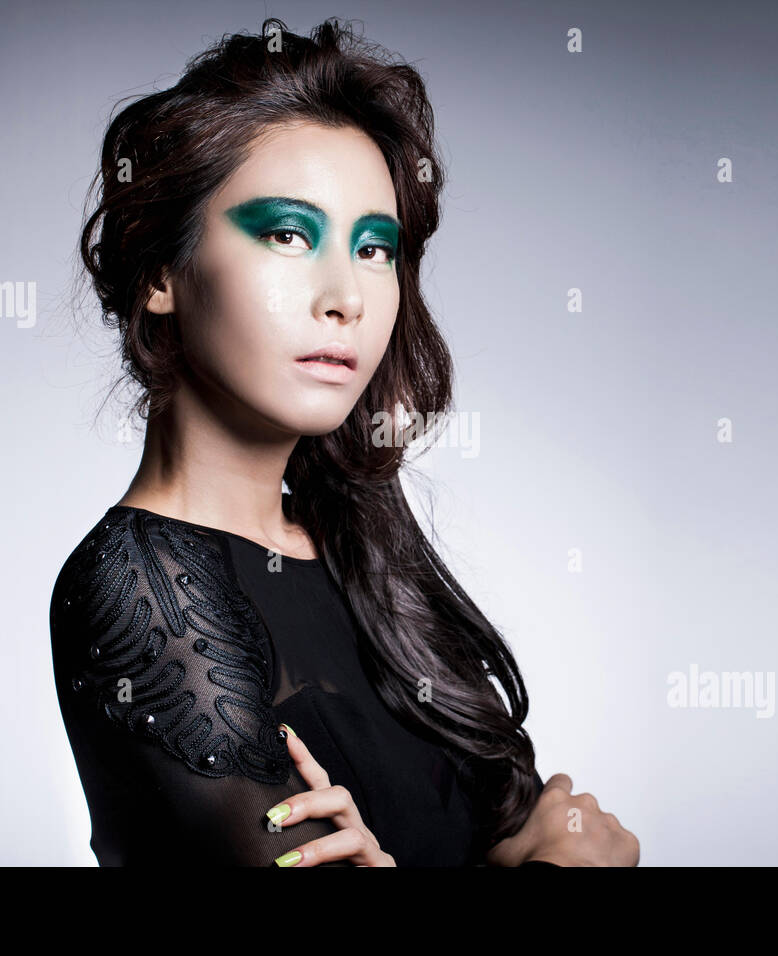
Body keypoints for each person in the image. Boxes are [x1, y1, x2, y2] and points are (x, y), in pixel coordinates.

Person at [50, 16, 640, 868]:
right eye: (287, 233)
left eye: (374, 248)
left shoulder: (352, 536)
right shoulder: (140, 591)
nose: (347, 296)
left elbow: (510, 813)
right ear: (160, 273)